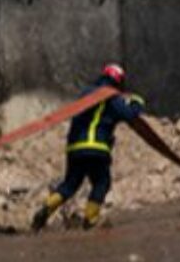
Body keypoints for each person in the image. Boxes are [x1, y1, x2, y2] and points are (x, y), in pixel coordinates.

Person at [31, 64, 146, 231]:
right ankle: (90, 220)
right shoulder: (112, 97)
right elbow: (129, 115)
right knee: (101, 183)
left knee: (70, 184)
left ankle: (45, 209)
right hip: (96, 148)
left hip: (75, 147)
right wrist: (137, 102)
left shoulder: (86, 93)